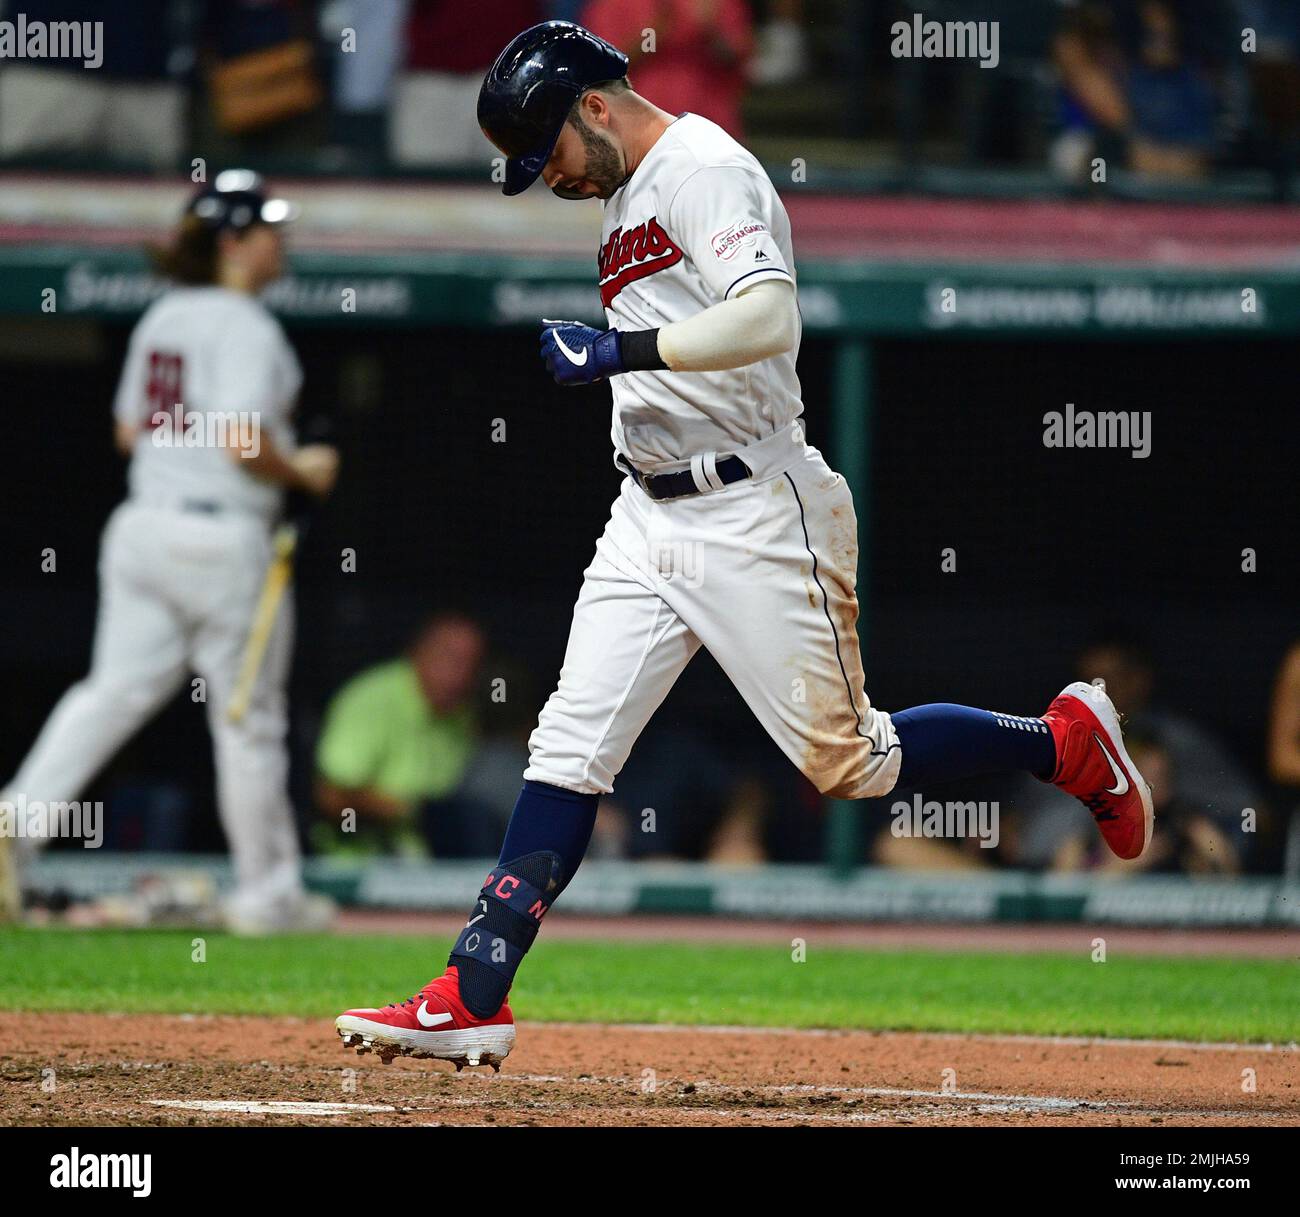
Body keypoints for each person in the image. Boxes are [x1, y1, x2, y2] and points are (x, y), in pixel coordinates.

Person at [333, 21, 1152, 1071]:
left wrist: (620, 350)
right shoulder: (624, 191)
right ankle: (470, 991)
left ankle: (1062, 742)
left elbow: (768, 318)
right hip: (648, 513)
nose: (553, 179)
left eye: (553, 153)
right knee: (567, 748)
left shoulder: (704, 168)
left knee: (850, 761)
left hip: (756, 506)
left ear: (595, 104)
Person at [0, 171, 340, 933]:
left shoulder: (163, 315)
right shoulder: (246, 326)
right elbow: (242, 439)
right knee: (247, 720)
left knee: (110, 693)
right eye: (267, 228)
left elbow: (129, 432)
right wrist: (302, 469)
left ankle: (13, 825)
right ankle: (268, 895)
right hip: (222, 537)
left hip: (144, 527)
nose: (280, 240)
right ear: (232, 241)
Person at [314, 613, 488, 857]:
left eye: (472, 665)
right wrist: (408, 811)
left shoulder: (464, 712)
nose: (461, 675)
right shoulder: (371, 700)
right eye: (451, 659)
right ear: (418, 653)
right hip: (355, 865)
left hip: (431, 865)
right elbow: (330, 796)